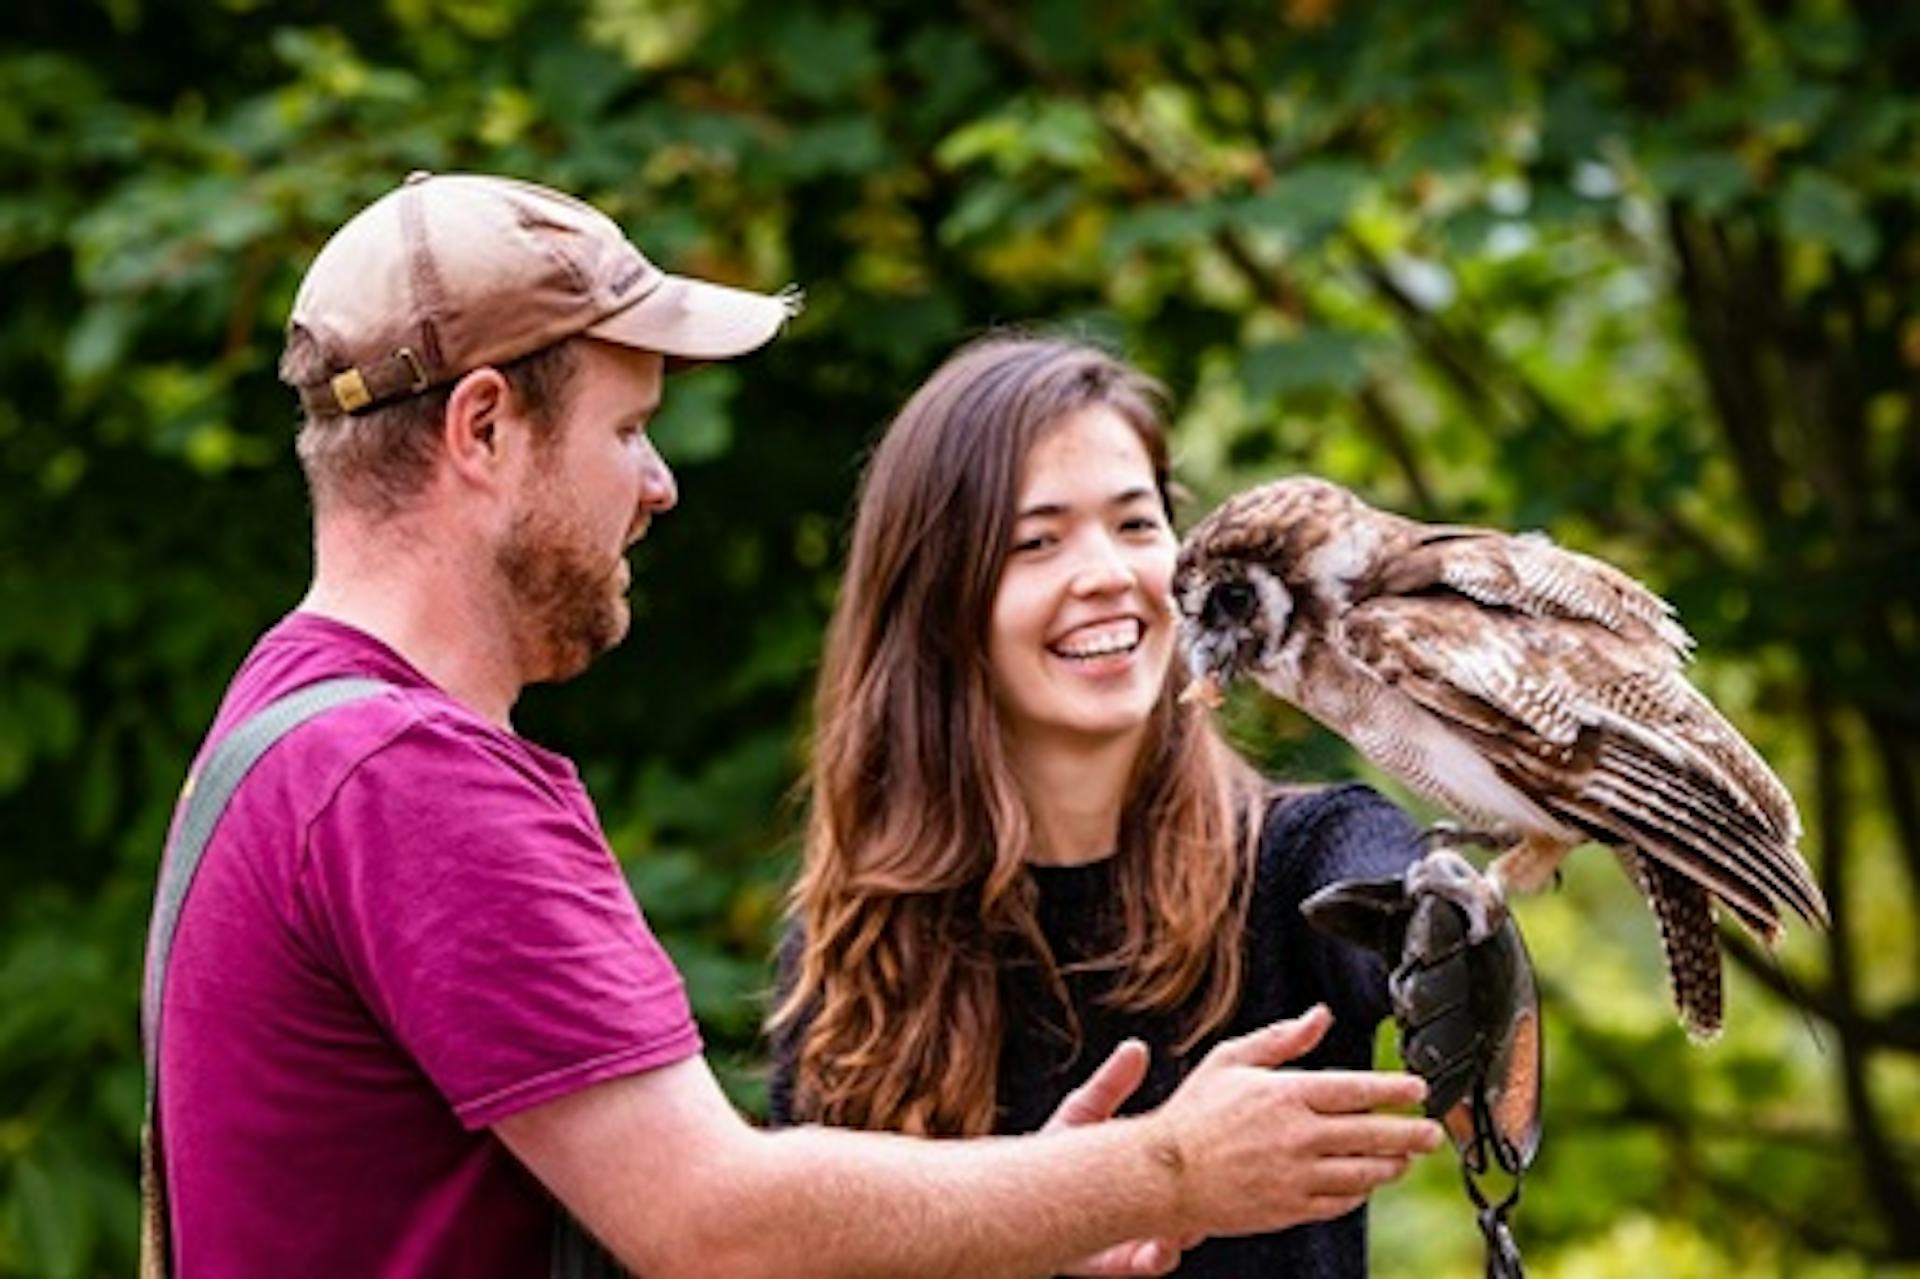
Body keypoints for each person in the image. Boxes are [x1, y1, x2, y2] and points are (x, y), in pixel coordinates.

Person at [145, 173, 1444, 1279]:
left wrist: (1039, 1215)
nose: (657, 483)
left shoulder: (283, 729)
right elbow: (706, 1218)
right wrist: (1162, 1165)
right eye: (631, 427)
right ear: (484, 427)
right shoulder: (408, 779)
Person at [770, 334, 1435, 1276]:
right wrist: (1055, 1220)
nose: (1110, 575)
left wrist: (1450, 942)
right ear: (938, 602)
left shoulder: (1306, 860)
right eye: (1036, 542)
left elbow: (1408, 912)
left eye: (1135, 525)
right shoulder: (859, 957)